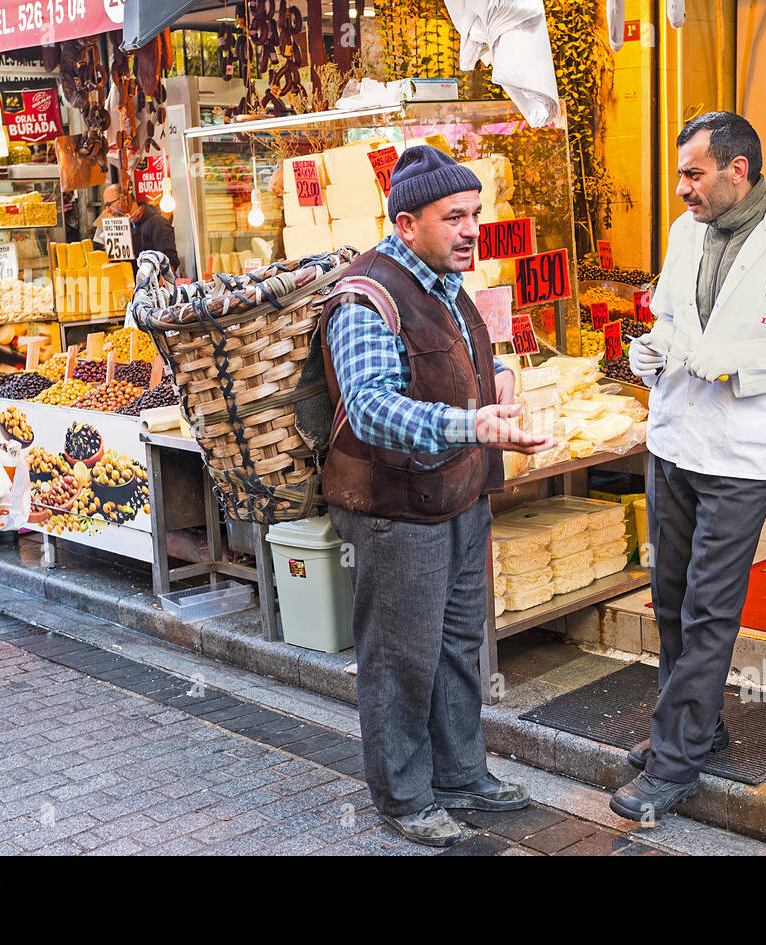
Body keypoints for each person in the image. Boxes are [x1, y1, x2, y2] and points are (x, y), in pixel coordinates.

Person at [319, 146, 556, 847]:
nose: (469, 229)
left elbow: (458, 357)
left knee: (458, 645)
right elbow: (367, 407)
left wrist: (502, 379)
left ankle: (461, 772)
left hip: (459, 496)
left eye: (475, 214)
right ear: (405, 222)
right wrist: (472, 423)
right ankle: (404, 795)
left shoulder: (447, 283)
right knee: (400, 656)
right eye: (454, 216)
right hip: (396, 507)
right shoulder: (368, 296)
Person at [613, 113, 766, 821]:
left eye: (693, 173)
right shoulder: (686, 232)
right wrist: (651, 350)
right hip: (675, 434)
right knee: (670, 594)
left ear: (736, 171)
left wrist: (740, 361)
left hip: (742, 451)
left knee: (711, 607)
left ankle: (674, 763)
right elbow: (674, 319)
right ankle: (701, 725)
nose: (681, 187)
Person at [95, 183, 180, 273]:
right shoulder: (125, 226)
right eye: (106, 206)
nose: (107, 210)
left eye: (109, 204)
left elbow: (170, 262)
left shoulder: (158, 223)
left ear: (125, 199)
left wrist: (156, 284)